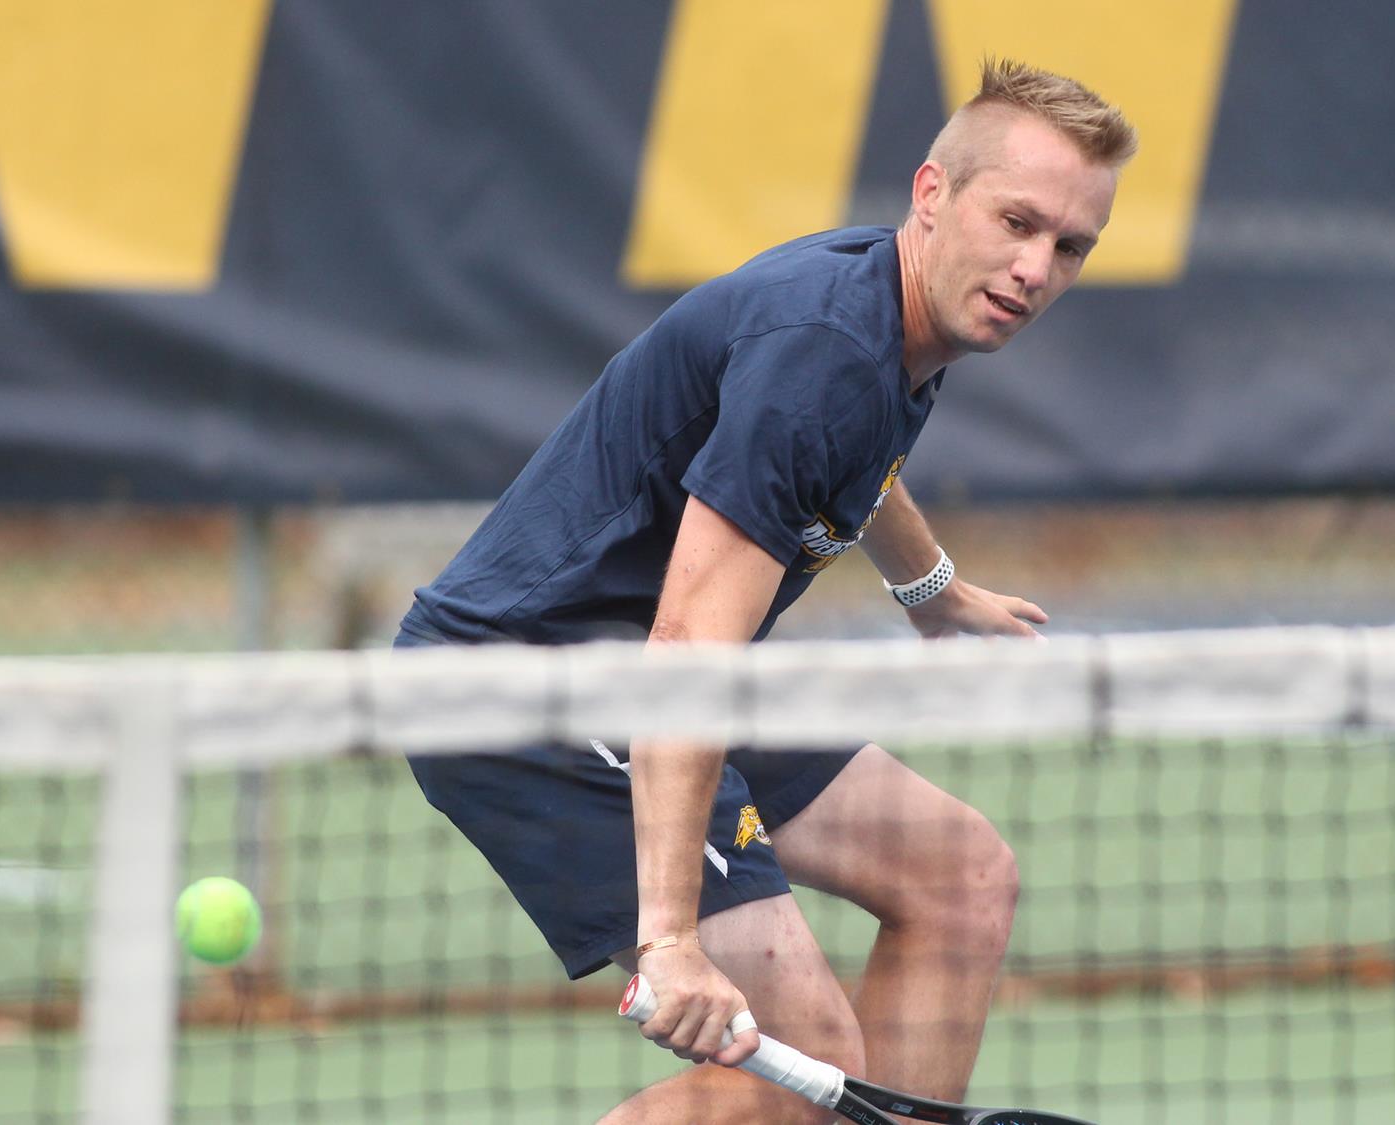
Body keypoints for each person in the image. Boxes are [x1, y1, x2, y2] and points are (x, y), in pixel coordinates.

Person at [396, 57, 1135, 1124]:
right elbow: (691, 643)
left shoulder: (892, 316)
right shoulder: (825, 352)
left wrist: (931, 591)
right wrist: (671, 940)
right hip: (528, 685)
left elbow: (858, 463)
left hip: (641, 667)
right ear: (932, 194)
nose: (1033, 268)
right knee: (800, 1066)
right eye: (1015, 222)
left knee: (958, 876)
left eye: (1068, 247)